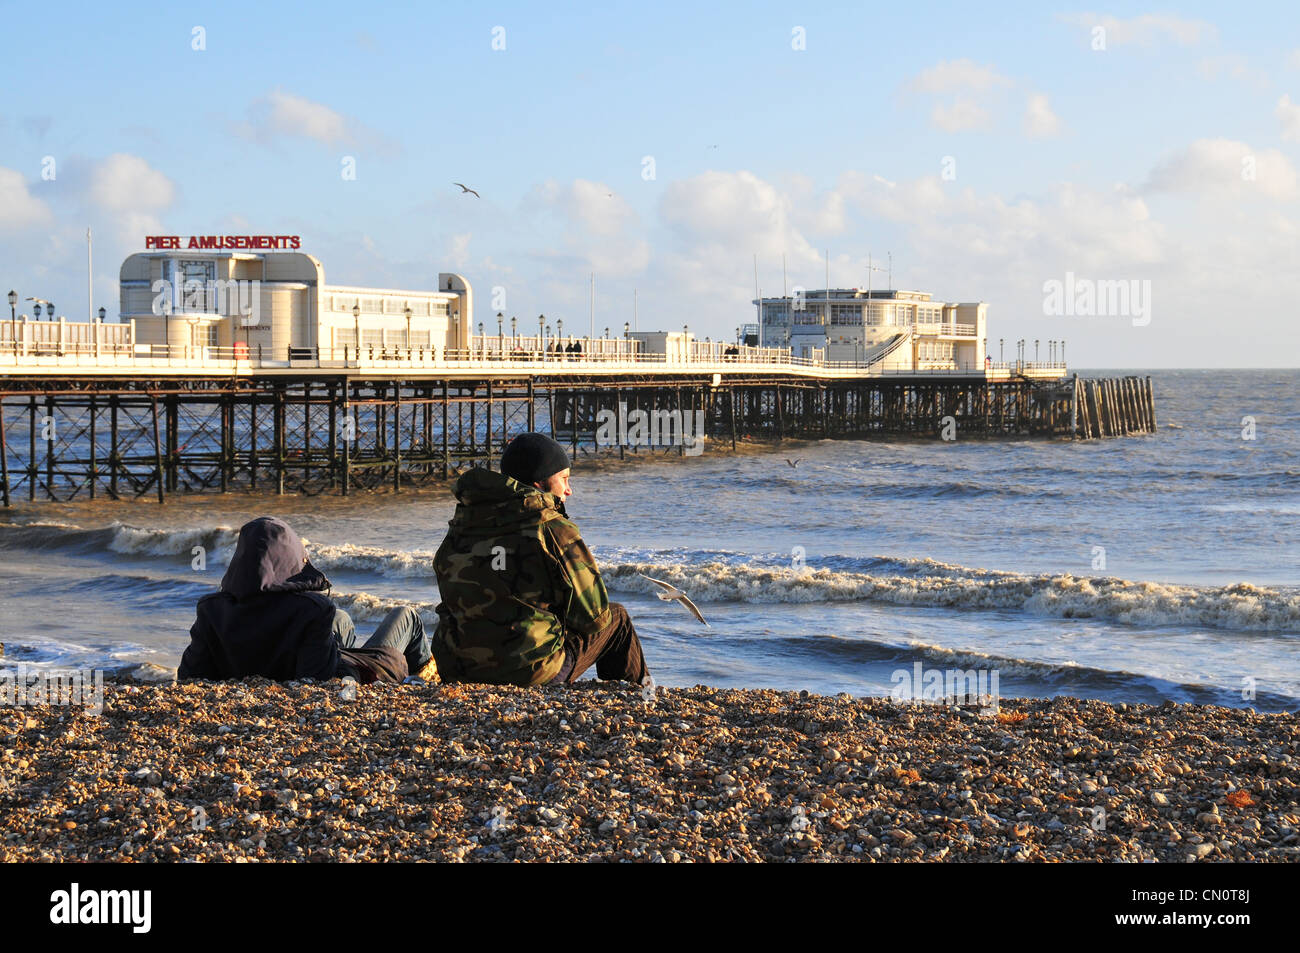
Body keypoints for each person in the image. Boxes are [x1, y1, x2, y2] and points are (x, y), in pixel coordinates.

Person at [430, 433, 650, 687]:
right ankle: (641, 700)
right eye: (564, 479)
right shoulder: (551, 528)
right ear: (539, 482)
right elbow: (594, 618)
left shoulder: (463, 524)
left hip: (457, 670)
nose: (569, 489)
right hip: (527, 672)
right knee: (617, 617)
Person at [179, 516, 437, 684]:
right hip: (356, 673)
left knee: (342, 619)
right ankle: (425, 683)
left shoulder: (211, 608)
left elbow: (189, 677)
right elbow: (317, 680)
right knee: (407, 616)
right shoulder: (311, 610)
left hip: (282, 663)